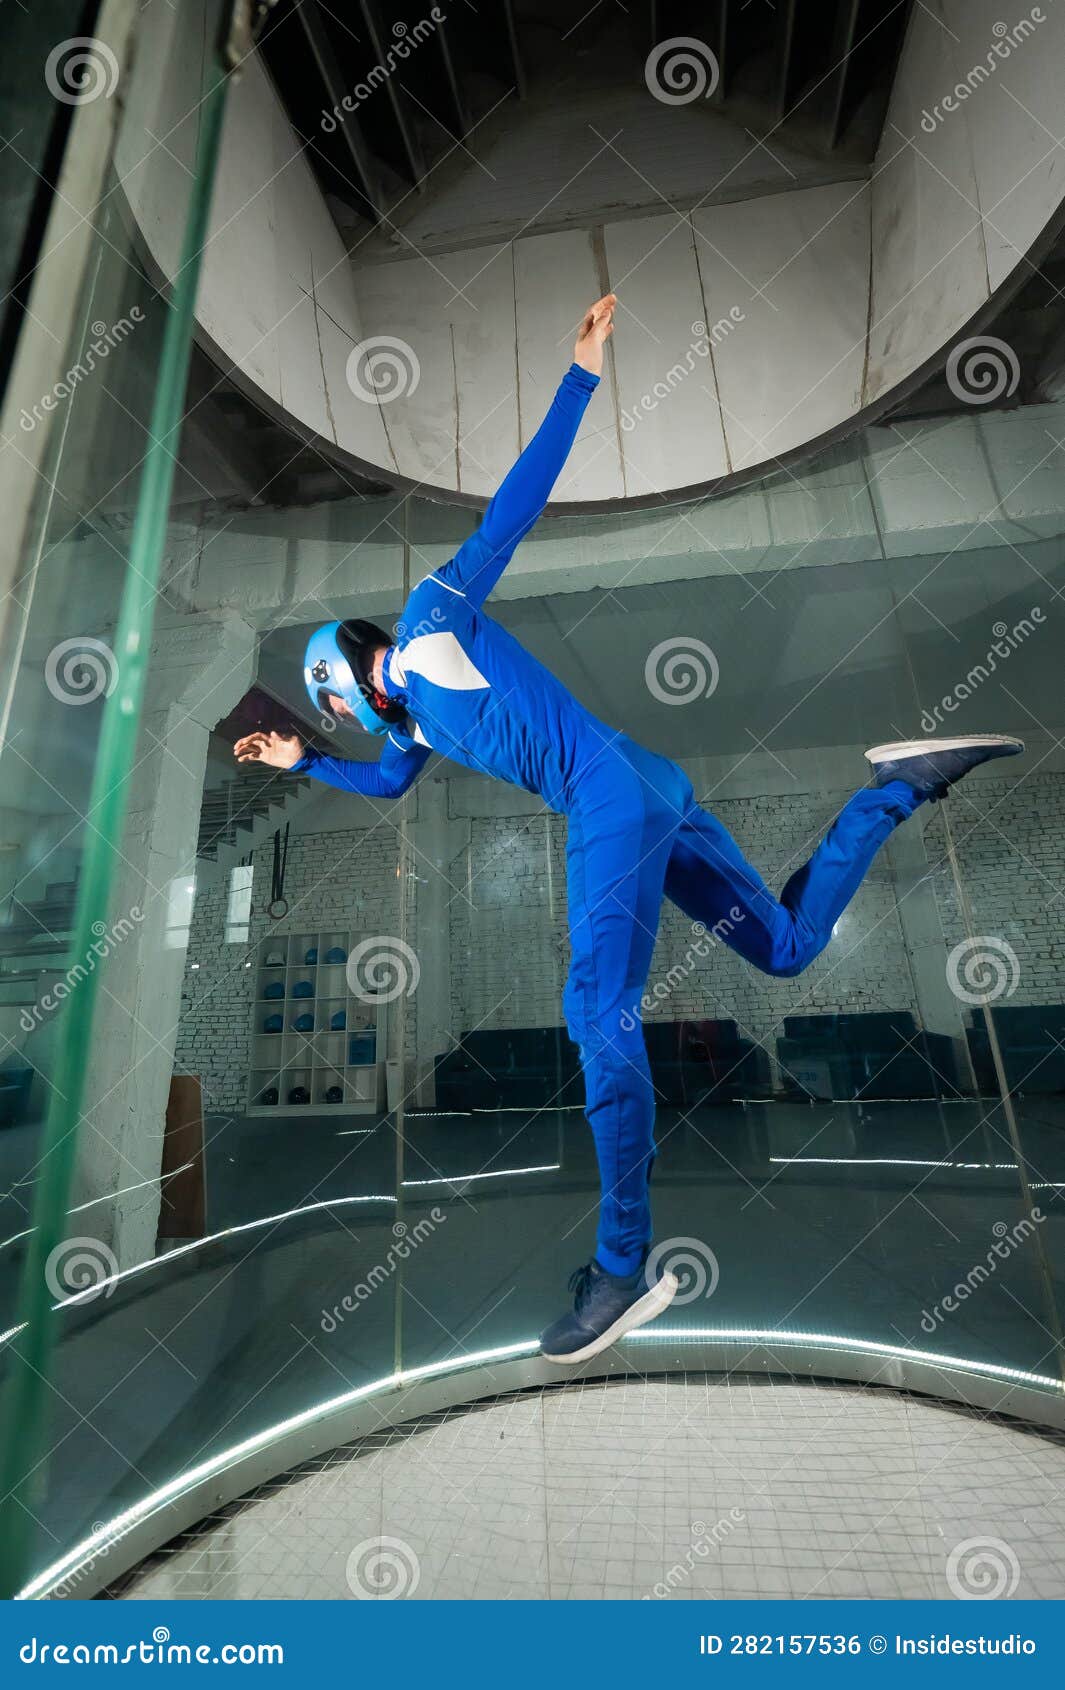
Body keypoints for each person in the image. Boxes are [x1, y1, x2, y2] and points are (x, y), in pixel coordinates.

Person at [235, 293, 1024, 1366]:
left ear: (345, 676)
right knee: (786, 950)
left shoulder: (430, 619)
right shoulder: (413, 719)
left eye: (330, 710)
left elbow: (512, 509)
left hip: (608, 793)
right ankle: (899, 786)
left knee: (593, 1014)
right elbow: (384, 786)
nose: (340, 721)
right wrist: (308, 763)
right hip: (651, 783)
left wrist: (581, 374)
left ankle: (619, 1269)